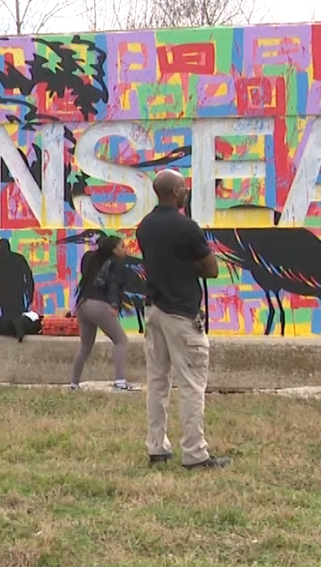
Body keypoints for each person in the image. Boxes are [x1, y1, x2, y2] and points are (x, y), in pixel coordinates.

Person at [135, 169, 229, 470]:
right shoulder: (187, 227)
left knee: (157, 381)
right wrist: (190, 265)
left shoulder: (145, 226)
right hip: (182, 313)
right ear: (175, 192)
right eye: (183, 188)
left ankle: (157, 447)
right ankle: (195, 453)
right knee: (190, 385)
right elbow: (211, 269)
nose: (186, 191)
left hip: (155, 310)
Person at [69, 233, 135, 391]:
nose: (125, 250)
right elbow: (113, 284)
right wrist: (113, 304)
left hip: (83, 305)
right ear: (113, 250)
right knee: (121, 341)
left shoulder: (93, 260)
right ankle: (120, 381)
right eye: (122, 246)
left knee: (85, 346)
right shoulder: (116, 263)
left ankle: (74, 383)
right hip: (99, 305)